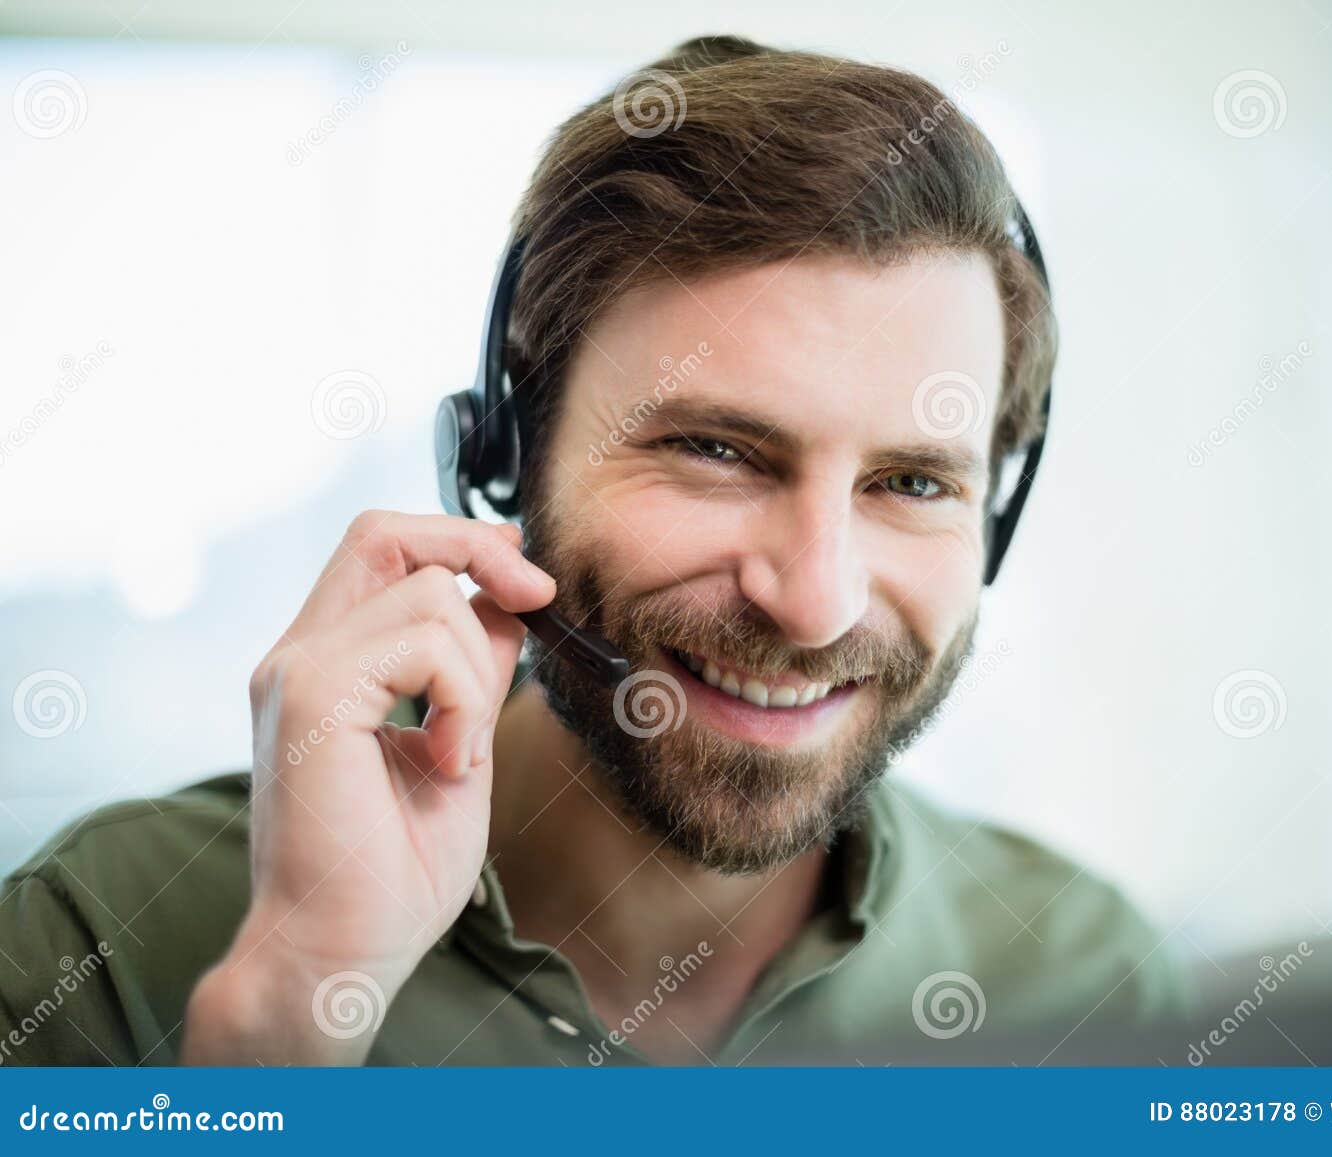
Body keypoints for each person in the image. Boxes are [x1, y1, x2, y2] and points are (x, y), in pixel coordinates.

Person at [0, 35, 1181, 1067]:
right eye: (718, 449)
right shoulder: (95, 948)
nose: (815, 599)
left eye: (914, 481)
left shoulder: (1092, 986)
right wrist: (292, 1003)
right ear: (504, 460)